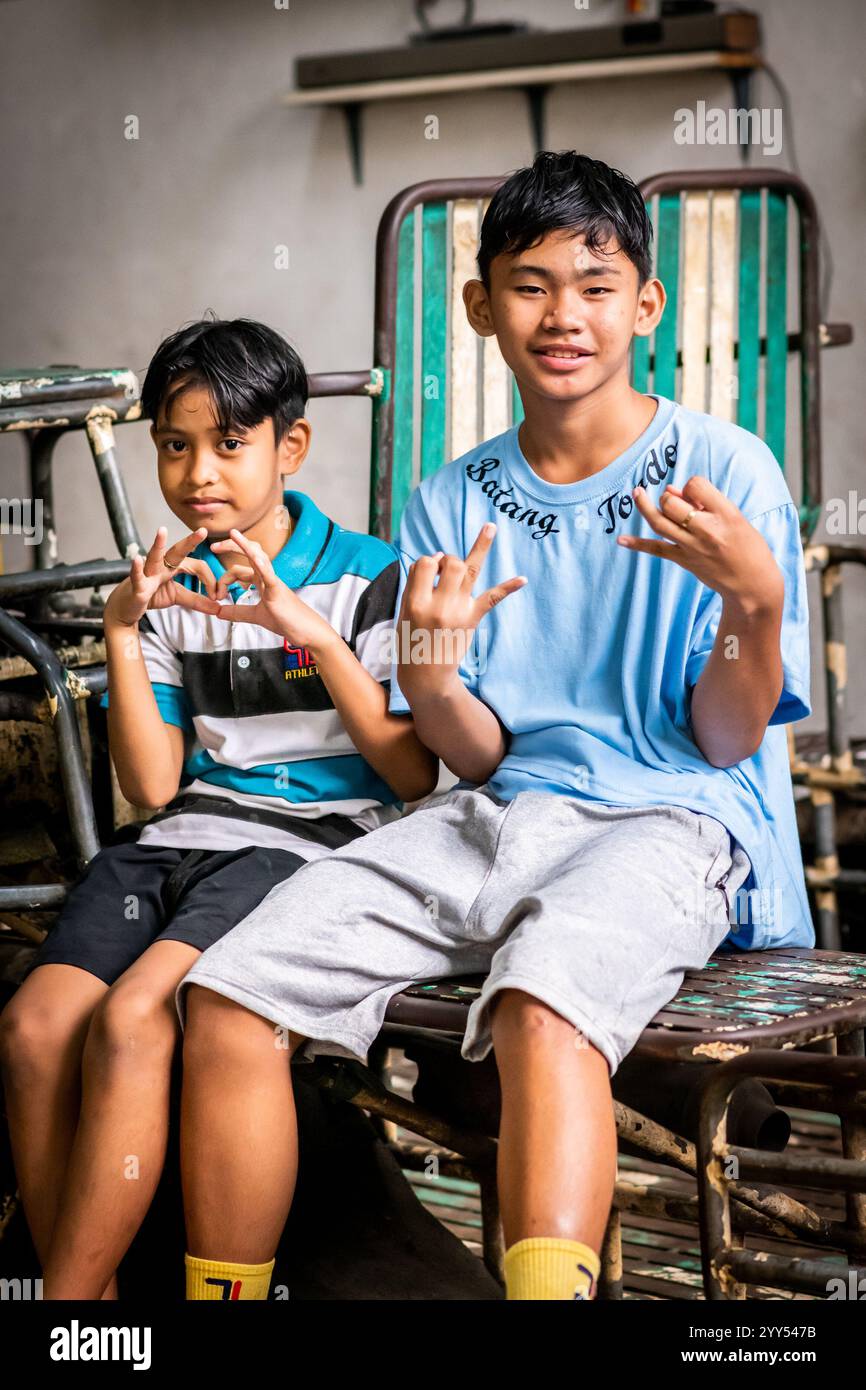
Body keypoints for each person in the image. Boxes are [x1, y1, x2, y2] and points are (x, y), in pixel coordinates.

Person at [175, 152, 811, 1301]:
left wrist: (753, 604)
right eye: (527, 284)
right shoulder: (449, 498)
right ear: (481, 307)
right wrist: (428, 665)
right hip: (495, 810)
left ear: (644, 305)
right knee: (227, 990)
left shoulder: (724, 471)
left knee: (541, 995)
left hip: (670, 817)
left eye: (594, 282)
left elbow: (724, 742)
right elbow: (467, 756)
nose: (562, 314)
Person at [0, 316, 437, 1301]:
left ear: (290, 445)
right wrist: (123, 624)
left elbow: (412, 776)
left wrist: (308, 632)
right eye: (173, 443)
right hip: (179, 839)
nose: (199, 471)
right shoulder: (171, 583)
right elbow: (153, 790)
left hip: (306, 849)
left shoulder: (368, 576)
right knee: (34, 1025)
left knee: (135, 1017)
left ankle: (67, 1312)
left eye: (229, 443)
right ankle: (90, 1300)